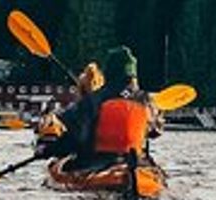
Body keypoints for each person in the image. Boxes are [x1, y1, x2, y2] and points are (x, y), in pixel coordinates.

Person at [36, 46, 158, 177]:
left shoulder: (93, 100)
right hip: (135, 163)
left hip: (93, 164)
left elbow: (76, 138)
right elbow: (155, 131)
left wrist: (49, 150)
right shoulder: (146, 101)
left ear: (108, 72)